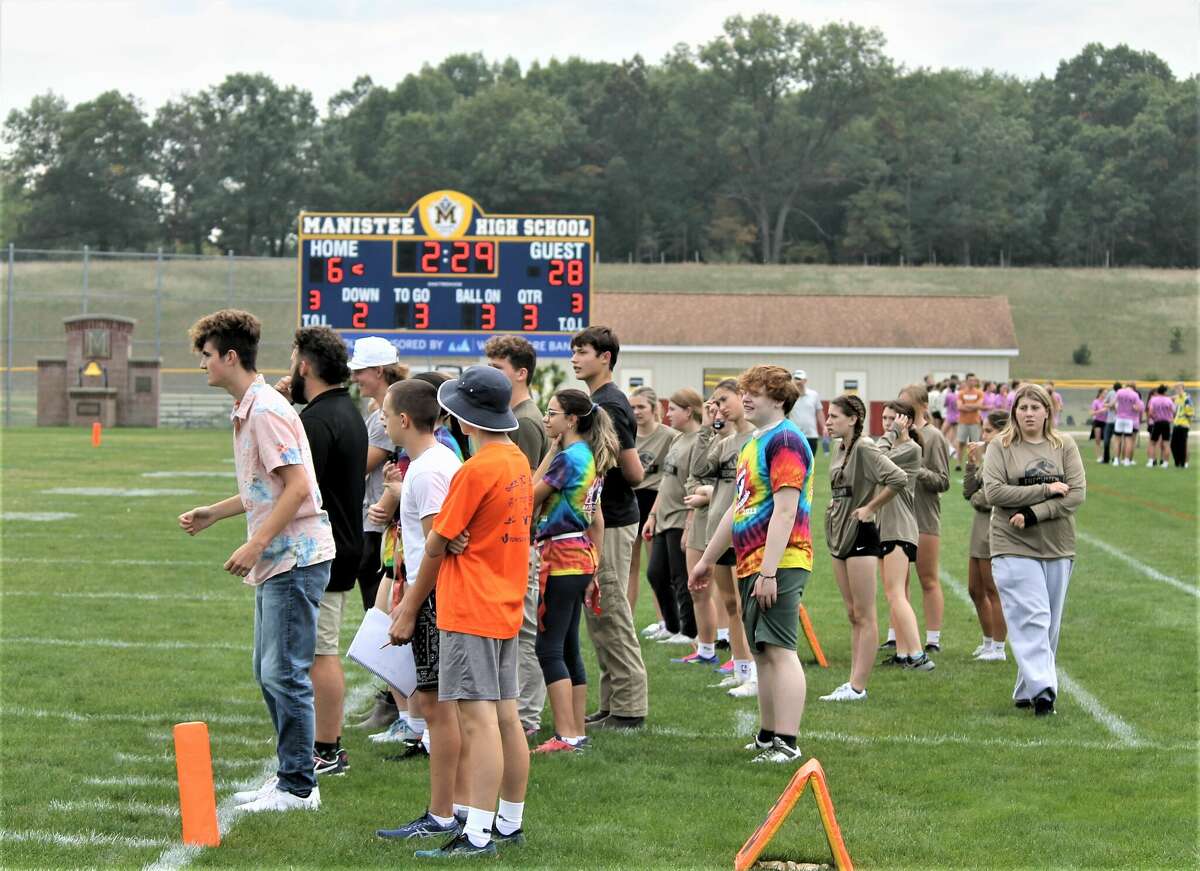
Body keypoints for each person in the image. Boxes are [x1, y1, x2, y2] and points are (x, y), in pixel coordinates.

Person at [179, 309, 334, 813]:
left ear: (229, 357)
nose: (202, 365)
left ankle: (298, 787)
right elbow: (265, 488)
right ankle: (290, 776)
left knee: (284, 673)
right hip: (281, 556)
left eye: (206, 356)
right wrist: (216, 513)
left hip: (295, 556)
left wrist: (253, 543)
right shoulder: (251, 407)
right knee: (268, 670)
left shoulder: (264, 410)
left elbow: (298, 488)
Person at [391, 365, 533, 858]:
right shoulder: (516, 460)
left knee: (479, 722)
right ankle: (509, 823)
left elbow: (437, 542)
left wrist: (409, 609)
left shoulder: (475, 470)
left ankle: (477, 834)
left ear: (463, 416)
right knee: (506, 717)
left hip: (469, 605)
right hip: (505, 601)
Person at [689, 365, 813, 763]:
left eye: (756, 392)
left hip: (779, 561)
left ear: (779, 399)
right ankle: (768, 735)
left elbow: (786, 510)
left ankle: (787, 743)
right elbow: (736, 510)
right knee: (761, 650)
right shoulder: (753, 442)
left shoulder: (787, 440)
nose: (746, 398)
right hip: (751, 562)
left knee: (779, 648)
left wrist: (770, 570)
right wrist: (707, 559)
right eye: (745, 390)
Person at [275, 326, 367, 778]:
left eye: (293, 359)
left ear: (305, 366)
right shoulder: (341, 411)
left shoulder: (316, 420)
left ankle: (328, 748)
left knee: (321, 652)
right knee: (318, 650)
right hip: (346, 541)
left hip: (325, 547)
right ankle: (325, 744)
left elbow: (292, 488)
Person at [375, 379, 464, 841]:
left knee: (435, 705)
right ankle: (457, 807)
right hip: (433, 595)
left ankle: (442, 814)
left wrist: (410, 607)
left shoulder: (429, 469)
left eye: (387, 414)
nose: (384, 422)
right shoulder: (435, 462)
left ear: (405, 420)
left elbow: (438, 545)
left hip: (433, 597)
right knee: (438, 704)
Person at [983, 383, 1086, 716]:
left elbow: (1075, 494)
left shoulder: (1064, 445)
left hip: (1058, 545)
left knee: (1050, 625)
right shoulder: (1000, 447)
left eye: (1035, 408)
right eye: (1022, 408)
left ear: (1047, 411)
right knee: (1033, 617)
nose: (1028, 414)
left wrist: (1034, 513)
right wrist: (1045, 488)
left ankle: (1026, 688)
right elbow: (995, 492)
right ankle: (1044, 691)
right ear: (1014, 412)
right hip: (1011, 544)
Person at [530, 388, 617, 753]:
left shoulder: (570, 458)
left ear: (572, 420)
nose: (546, 419)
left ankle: (566, 735)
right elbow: (596, 518)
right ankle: (575, 729)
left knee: (548, 647)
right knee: (567, 646)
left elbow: (528, 496)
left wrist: (550, 453)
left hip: (562, 557)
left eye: (552, 414)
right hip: (578, 555)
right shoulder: (585, 455)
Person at [570, 326, 648, 730]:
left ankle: (630, 709)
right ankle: (611, 703)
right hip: (601, 520)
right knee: (599, 614)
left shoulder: (611, 405)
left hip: (613, 520)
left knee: (612, 610)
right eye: (573, 351)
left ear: (606, 357)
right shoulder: (595, 402)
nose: (574, 358)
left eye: (582, 351)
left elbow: (633, 472)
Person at [819, 395, 908, 702]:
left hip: (861, 535)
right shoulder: (840, 448)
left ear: (853, 419)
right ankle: (851, 682)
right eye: (827, 416)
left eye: (834, 416)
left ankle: (858, 686)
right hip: (839, 533)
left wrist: (870, 507)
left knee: (865, 614)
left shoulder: (865, 447)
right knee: (852, 613)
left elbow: (897, 478)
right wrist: (837, 502)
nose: (828, 421)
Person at [484, 335, 551, 738]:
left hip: (517, 542)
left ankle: (525, 715)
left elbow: (518, 490)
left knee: (522, 632)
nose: (490, 377)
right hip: (515, 542)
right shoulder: (517, 415)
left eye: (498, 370)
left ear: (520, 373)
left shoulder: (523, 421)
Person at [348, 338, 409, 733]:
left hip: (381, 525)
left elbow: (363, 463)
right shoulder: (377, 411)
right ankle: (393, 702)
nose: (356, 377)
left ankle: (398, 705)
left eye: (362, 370)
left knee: (384, 616)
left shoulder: (388, 412)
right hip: (373, 522)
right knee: (378, 614)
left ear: (381, 371)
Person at [699, 379, 759, 696]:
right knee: (731, 604)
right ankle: (741, 668)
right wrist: (710, 427)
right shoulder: (726, 441)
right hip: (718, 530)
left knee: (746, 604)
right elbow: (699, 468)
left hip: (744, 532)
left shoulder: (757, 438)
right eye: (715, 403)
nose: (720, 407)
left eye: (724, 400)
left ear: (741, 397)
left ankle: (755, 672)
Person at [642, 390, 704, 647]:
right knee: (656, 573)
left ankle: (689, 631)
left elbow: (696, 485)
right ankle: (672, 625)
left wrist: (690, 522)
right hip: (664, 517)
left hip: (681, 518)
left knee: (681, 577)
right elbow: (666, 481)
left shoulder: (699, 442)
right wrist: (653, 514)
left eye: (673, 409)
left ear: (688, 411)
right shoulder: (678, 440)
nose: (667, 414)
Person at [875, 400, 933, 671]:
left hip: (898, 527)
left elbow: (874, 461)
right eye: (885, 419)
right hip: (885, 527)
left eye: (892, 419)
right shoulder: (892, 445)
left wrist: (891, 435)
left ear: (907, 422)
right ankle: (902, 653)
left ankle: (919, 654)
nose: (887, 424)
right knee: (894, 594)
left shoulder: (911, 449)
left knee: (896, 593)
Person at [893, 384, 949, 653]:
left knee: (927, 578)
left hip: (924, 517)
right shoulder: (896, 434)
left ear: (923, 406)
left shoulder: (934, 436)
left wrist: (917, 470)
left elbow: (943, 481)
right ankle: (898, 636)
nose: (902, 412)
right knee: (897, 582)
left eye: (908, 406)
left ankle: (933, 639)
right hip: (898, 517)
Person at [963, 410, 1009, 662]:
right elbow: (969, 491)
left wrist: (978, 497)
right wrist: (971, 463)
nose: (983, 435)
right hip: (979, 528)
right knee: (974, 588)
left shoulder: (1005, 457)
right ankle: (987, 641)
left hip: (993, 528)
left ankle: (999, 648)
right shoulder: (989, 456)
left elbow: (988, 497)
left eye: (988, 431)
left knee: (993, 589)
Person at [631, 386, 677, 630]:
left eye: (641, 407)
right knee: (630, 565)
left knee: (656, 568)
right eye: (632, 407)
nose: (636, 412)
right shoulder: (627, 434)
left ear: (654, 408)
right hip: (630, 500)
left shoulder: (669, 436)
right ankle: (626, 622)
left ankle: (664, 621)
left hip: (655, 500)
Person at [788, 369, 828, 458]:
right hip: (794, 435)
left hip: (811, 435)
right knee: (795, 463)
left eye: (800, 379)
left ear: (805, 380)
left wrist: (824, 427)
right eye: (796, 379)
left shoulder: (814, 395)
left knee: (809, 463)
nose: (798, 382)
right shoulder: (789, 395)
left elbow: (819, 412)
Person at [956, 374, 984, 472]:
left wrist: (966, 405)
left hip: (974, 422)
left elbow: (979, 405)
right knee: (961, 443)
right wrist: (973, 406)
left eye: (974, 380)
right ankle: (959, 463)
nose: (973, 382)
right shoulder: (961, 393)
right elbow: (959, 407)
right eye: (970, 380)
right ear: (966, 381)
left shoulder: (979, 392)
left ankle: (977, 463)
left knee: (975, 443)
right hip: (963, 421)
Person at [1112, 381, 1144, 466]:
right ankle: (1126, 460)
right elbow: (1138, 408)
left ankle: (1116, 460)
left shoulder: (1119, 392)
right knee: (1128, 441)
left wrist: (1108, 405)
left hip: (1119, 418)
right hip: (1129, 419)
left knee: (1117, 440)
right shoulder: (1135, 395)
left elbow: (1114, 403)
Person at [1146, 385, 1175, 468]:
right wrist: (1170, 417)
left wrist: (1155, 418)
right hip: (1166, 423)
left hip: (1157, 422)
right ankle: (1165, 463)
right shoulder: (1168, 400)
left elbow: (1150, 412)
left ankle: (1151, 461)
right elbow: (1173, 411)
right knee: (1166, 443)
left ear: (1158, 391)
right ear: (1165, 392)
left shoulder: (1153, 400)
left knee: (1152, 443)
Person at [1170, 383, 1194, 468]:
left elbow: (1190, 412)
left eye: (1179, 388)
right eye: (1176, 389)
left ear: (1183, 388)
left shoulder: (1187, 398)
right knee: (1173, 445)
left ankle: (1184, 463)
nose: (1177, 390)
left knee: (1183, 445)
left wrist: (1185, 416)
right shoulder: (1177, 398)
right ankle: (1178, 461)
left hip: (1184, 424)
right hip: (1176, 424)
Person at [1100, 382, 1120, 464]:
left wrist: (1115, 407)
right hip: (1109, 421)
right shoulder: (1111, 393)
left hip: (1117, 420)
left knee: (1117, 441)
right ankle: (1106, 459)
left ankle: (1116, 458)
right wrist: (1110, 405)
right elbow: (1104, 403)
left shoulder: (1121, 394)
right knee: (1106, 441)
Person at [1088, 388, 1108, 464]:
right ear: (1100, 393)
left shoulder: (1107, 402)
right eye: (1104, 393)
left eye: (1106, 393)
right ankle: (1099, 457)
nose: (1105, 395)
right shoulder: (1096, 401)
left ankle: (1104, 456)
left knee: (1106, 441)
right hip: (1097, 422)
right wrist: (1100, 411)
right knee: (1097, 440)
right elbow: (1091, 413)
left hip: (1106, 422)